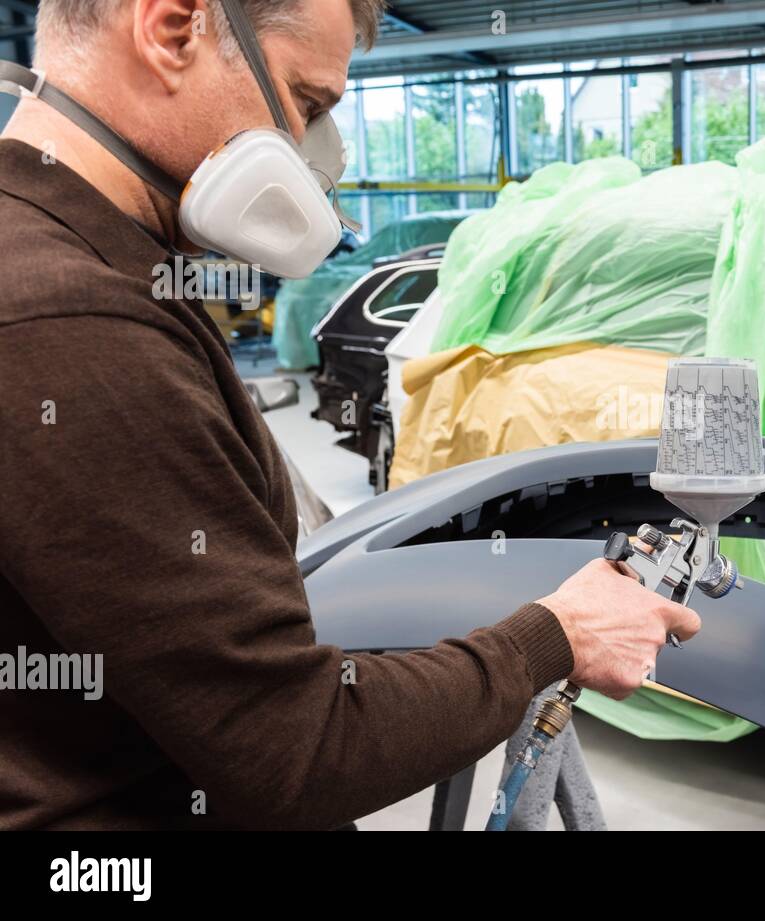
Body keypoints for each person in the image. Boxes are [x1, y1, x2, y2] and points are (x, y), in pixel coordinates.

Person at [0, 0, 700, 830]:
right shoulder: (74, 322)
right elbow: (295, 752)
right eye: (307, 102)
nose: (313, 155)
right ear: (172, 29)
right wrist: (554, 635)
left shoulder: (73, 255)